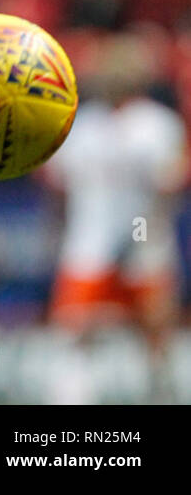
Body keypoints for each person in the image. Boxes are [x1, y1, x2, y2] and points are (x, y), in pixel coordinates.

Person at [44, 31, 187, 403]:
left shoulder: (155, 125)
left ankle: (161, 396)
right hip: (91, 248)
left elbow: (173, 181)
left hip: (144, 250)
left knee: (155, 342)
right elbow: (58, 185)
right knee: (76, 338)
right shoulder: (81, 126)